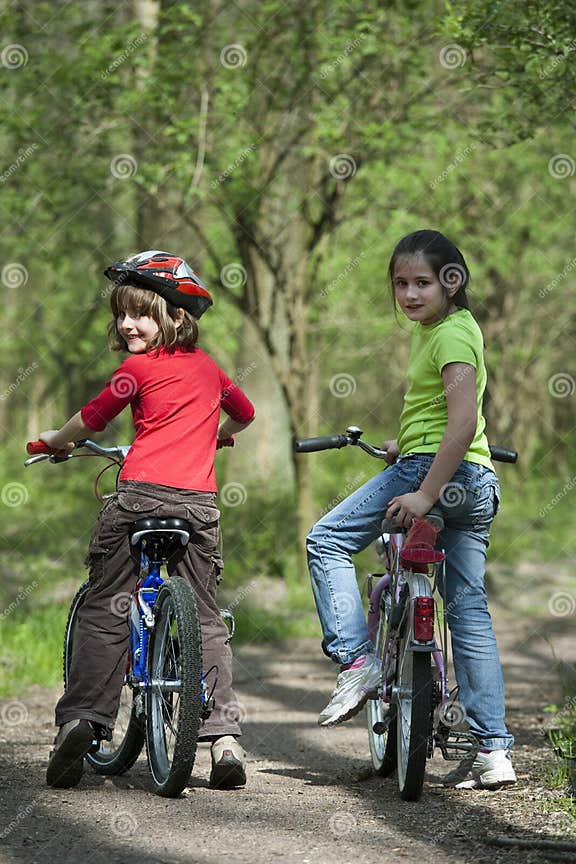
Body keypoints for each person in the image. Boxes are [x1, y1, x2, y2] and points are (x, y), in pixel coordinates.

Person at [306, 229, 516, 790]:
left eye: (422, 282)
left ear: (453, 282)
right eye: (400, 283)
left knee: (324, 540)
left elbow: (463, 422)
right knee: (469, 612)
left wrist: (424, 490)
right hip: (474, 484)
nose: (409, 294)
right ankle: (494, 750)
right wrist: (409, 441)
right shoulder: (454, 331)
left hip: (437, 478)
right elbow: (446, 419)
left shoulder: (449, 336)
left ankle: (356, 661)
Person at [40, 251, 255, 790]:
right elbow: (246, 413)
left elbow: (90, 420)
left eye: (141, 314)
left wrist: (55, 443)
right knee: (205, 617)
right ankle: (224, 738)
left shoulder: (133, 371)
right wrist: (217, 432)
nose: (127, 324)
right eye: (121, 314)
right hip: (198, 509)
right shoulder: (210, 370)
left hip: (138, 500)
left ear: (175, 319)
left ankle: (84, 721)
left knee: (106, 607)